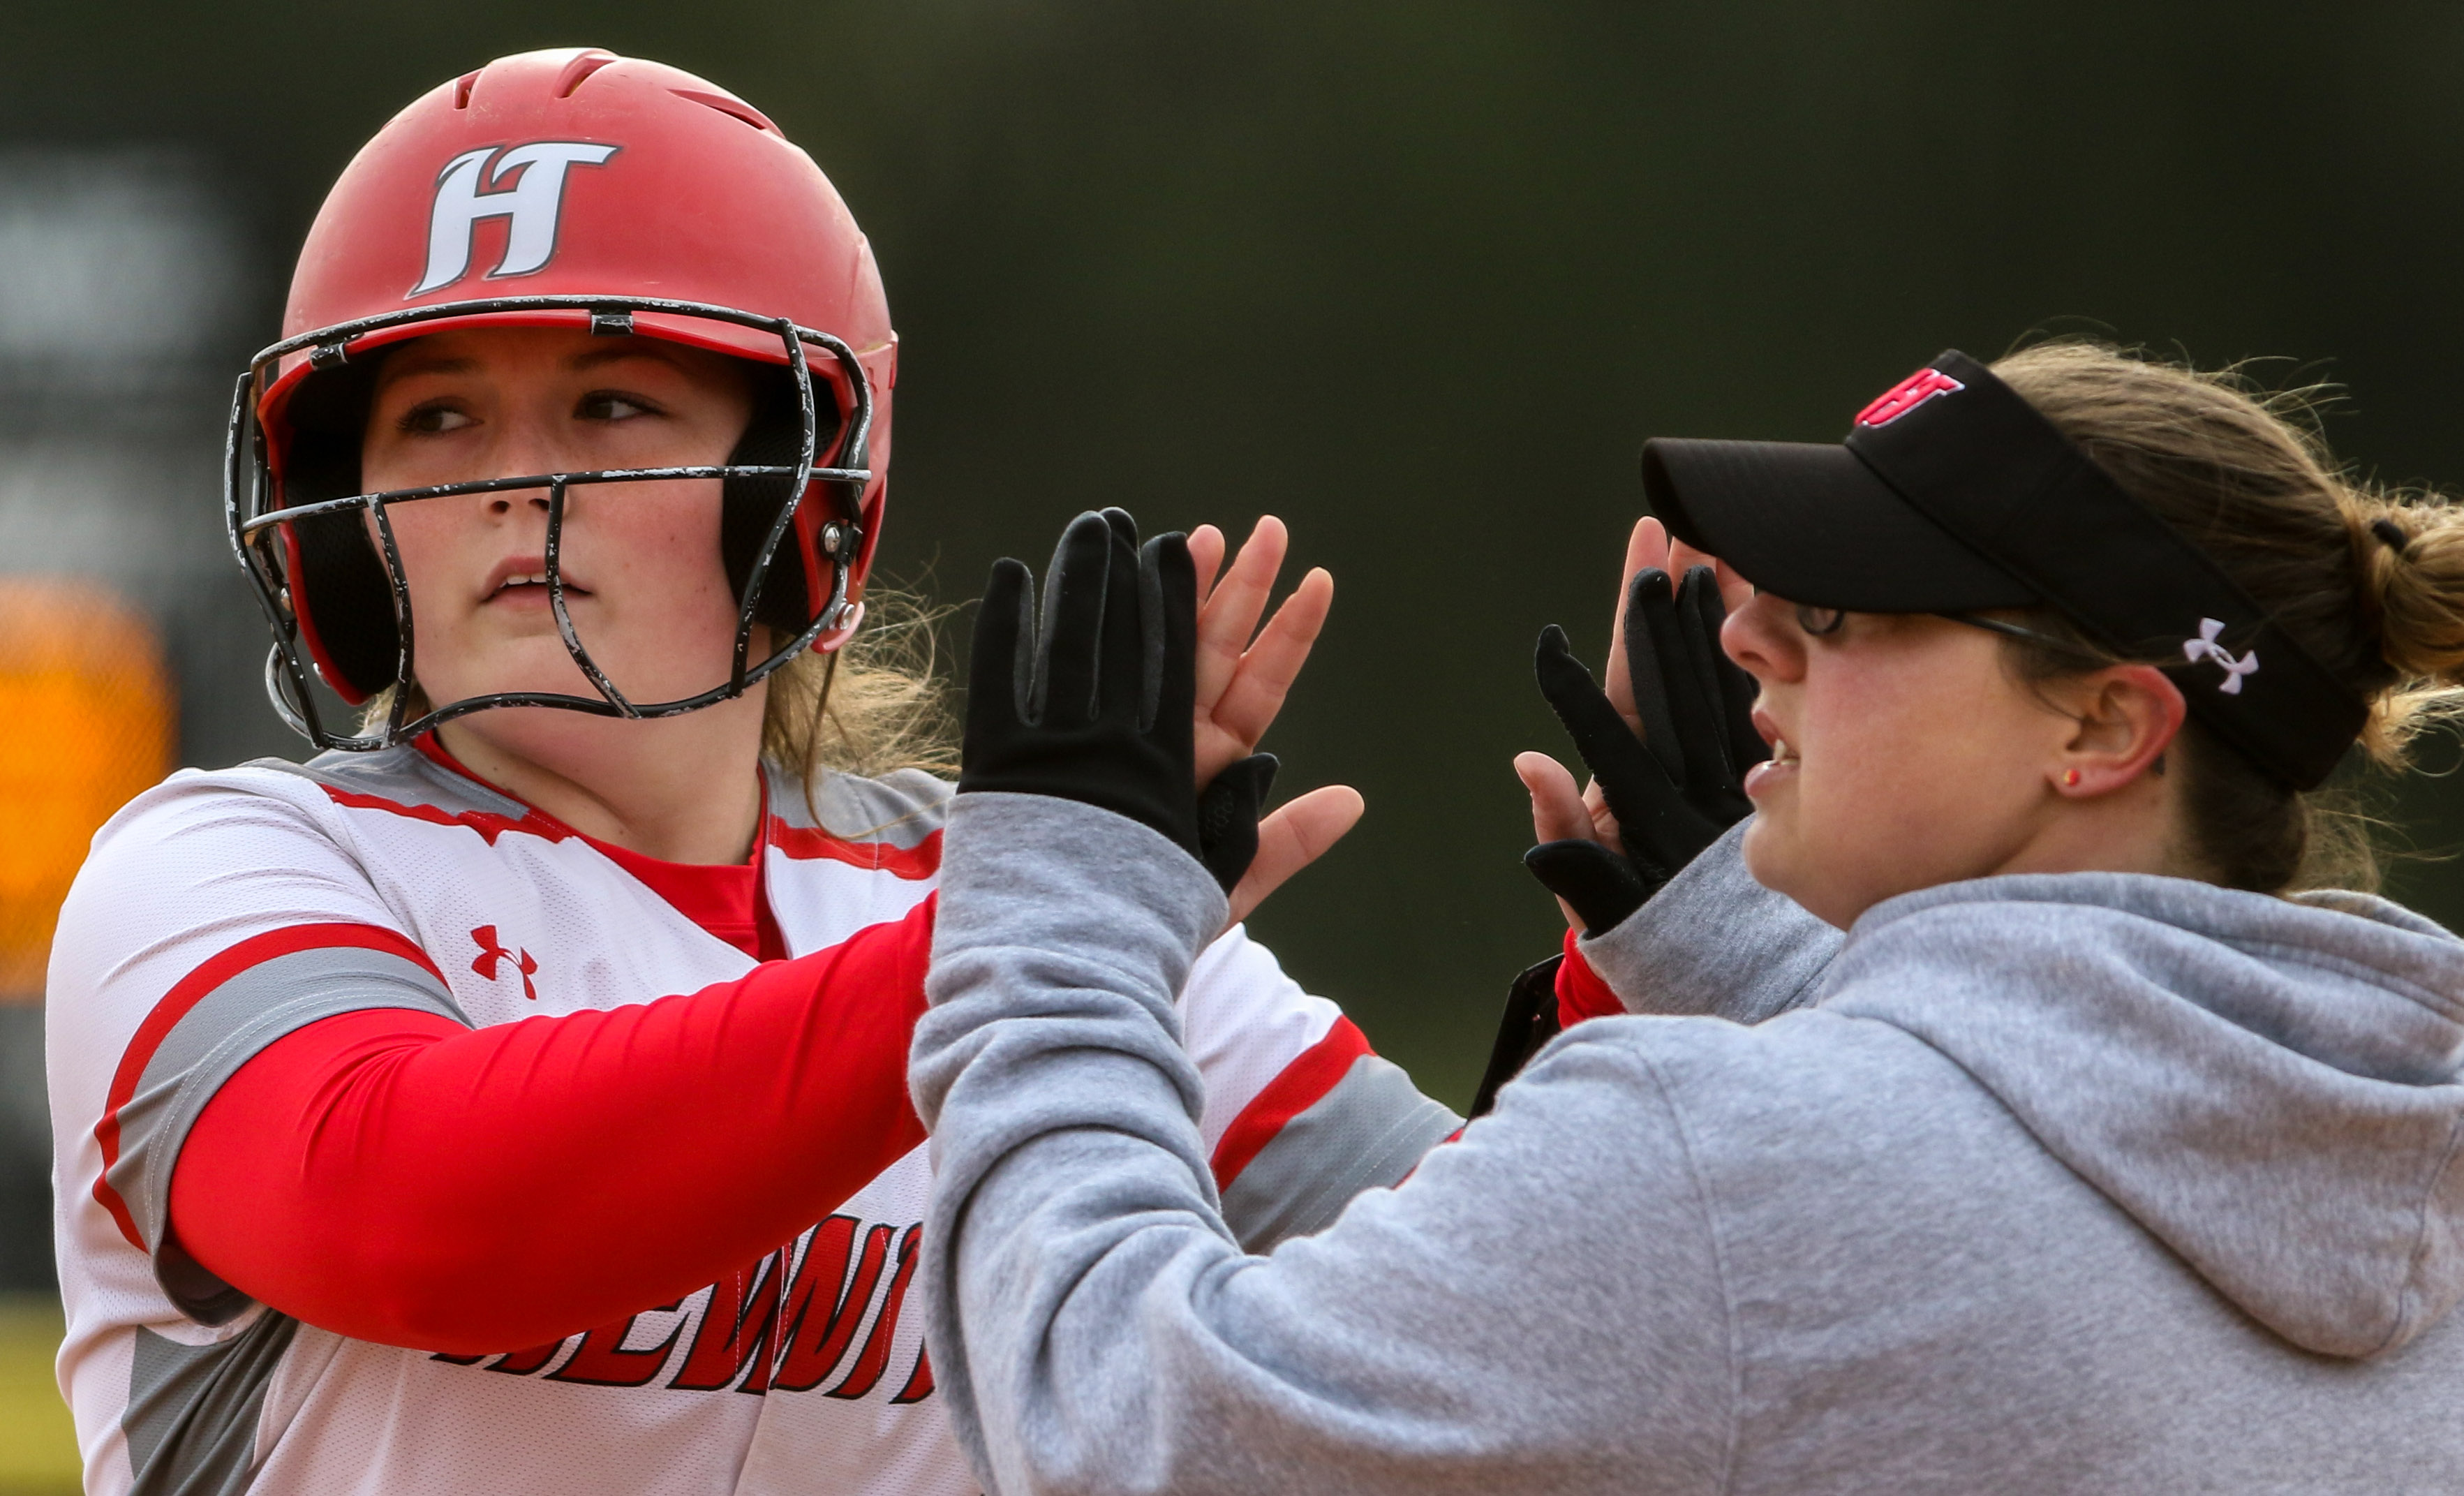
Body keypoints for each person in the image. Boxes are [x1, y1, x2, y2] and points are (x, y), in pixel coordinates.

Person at [44, 48, 1457, 1496]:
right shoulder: (219, 868)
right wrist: (1025, 943)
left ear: (798, 491)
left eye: (611, 405)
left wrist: (1646, 985)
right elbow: (405, 1216)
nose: (512, 477)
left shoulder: (1020, 891)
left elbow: (1481, 1312)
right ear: (351, 519)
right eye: (438, 416)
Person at [912, 341, 2464, 1493]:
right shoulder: (2417, 1167)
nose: (1747, 635)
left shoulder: (1730, 1159)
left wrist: (1063, 916)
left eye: (1841, 613)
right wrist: (1771, 974)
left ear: (2108, 730)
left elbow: (1111, 1420)